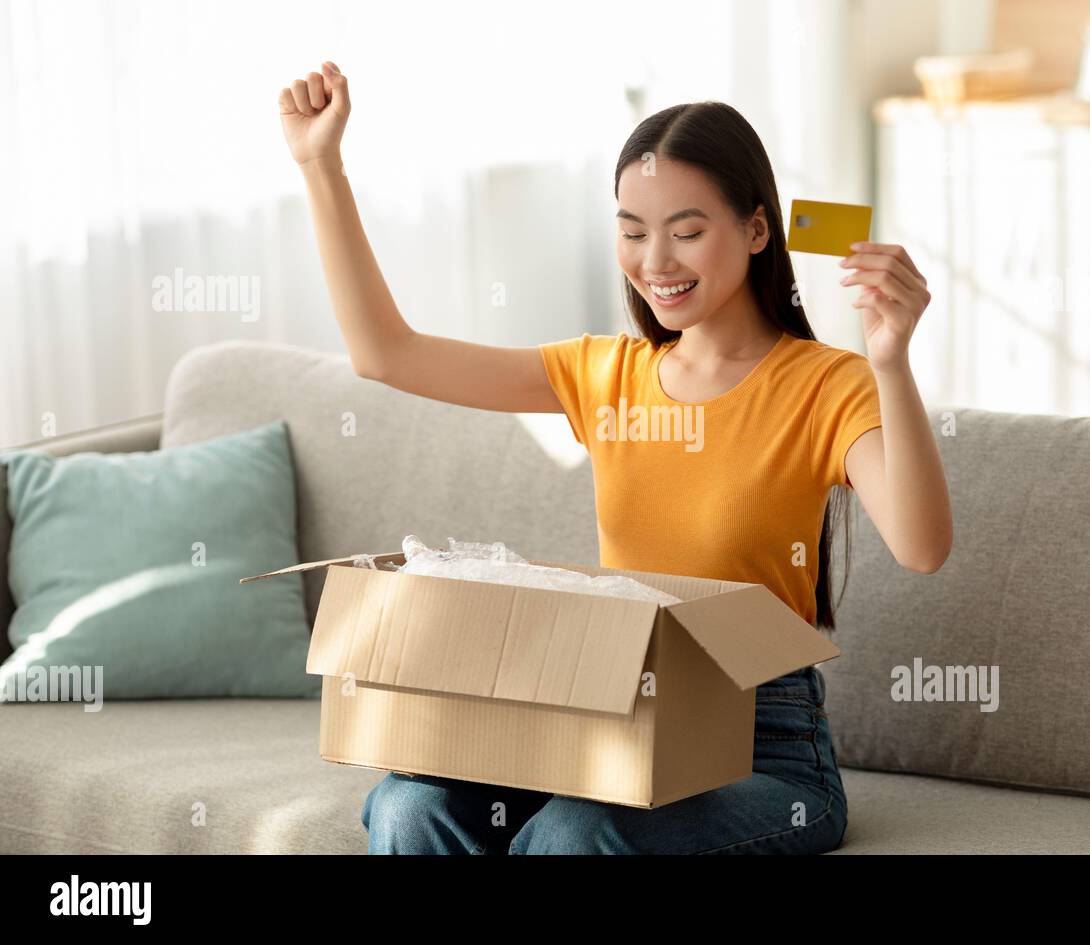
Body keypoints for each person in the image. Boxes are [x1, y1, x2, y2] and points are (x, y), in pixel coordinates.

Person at [279, 61, 952, 855]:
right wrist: (321, 165)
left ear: (758, 230)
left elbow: (922, 544)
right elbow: (386, 353)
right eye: (633, 231)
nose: (657, 261)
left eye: (688, 230)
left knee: (578, 833)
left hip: (763, 743)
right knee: (408, 807)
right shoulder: (605, 373)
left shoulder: (825, 382)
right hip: (608, 715)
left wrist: (892, 361)